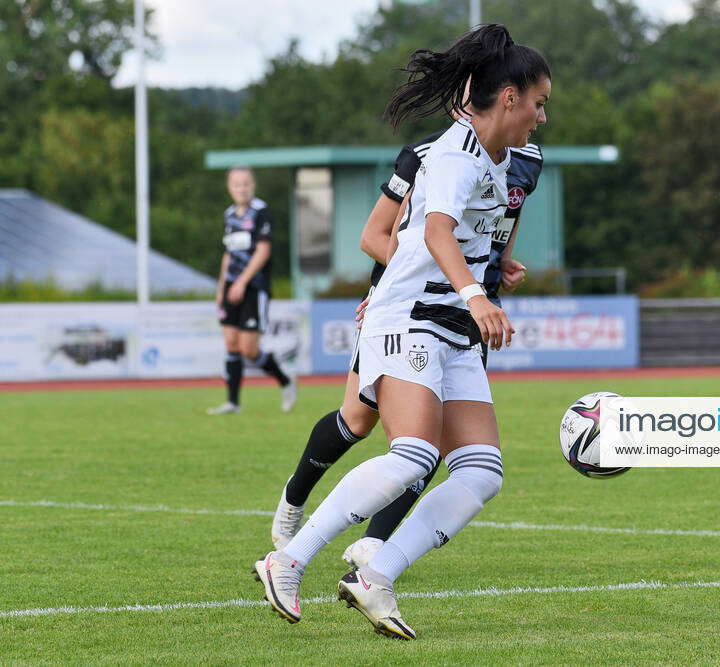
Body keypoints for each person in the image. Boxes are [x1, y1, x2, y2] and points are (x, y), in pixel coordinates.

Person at [253, 24, 550, 640]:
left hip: (456, 329)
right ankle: (287, 559)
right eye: (540, 102)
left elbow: (459, 237)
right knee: (410, 454)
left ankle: (376, 572)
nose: (542, 118)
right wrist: (476, 293)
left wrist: (493, 273)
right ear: (510, 98)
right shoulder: (451, 155)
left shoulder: (499, 163)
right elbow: (435, 232)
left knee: (481, 471)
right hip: (409, 316)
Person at [268, 111, 543, 567]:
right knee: (357, 421)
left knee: (429, 442)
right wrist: (396, 288)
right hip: (408, 305)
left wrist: (502, 263)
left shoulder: (527, 155)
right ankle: (294, 500)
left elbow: (503, 217)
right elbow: (379, 236)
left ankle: (374, 546)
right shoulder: (431, 154)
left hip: (464, 316)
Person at [208, 167, 296, 415]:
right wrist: (221, 287)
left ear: (253, 185)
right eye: (237, 184)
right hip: (231, 285)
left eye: (246, 183)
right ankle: (233, 402)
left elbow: (263, 251)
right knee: (231, 343)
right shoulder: (229, 215)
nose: (242, 188)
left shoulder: (261, 212)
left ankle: (285, 380)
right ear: (230, 187)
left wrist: (241, 282)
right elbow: (228, 253)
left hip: (254, 287)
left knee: (249, 349)